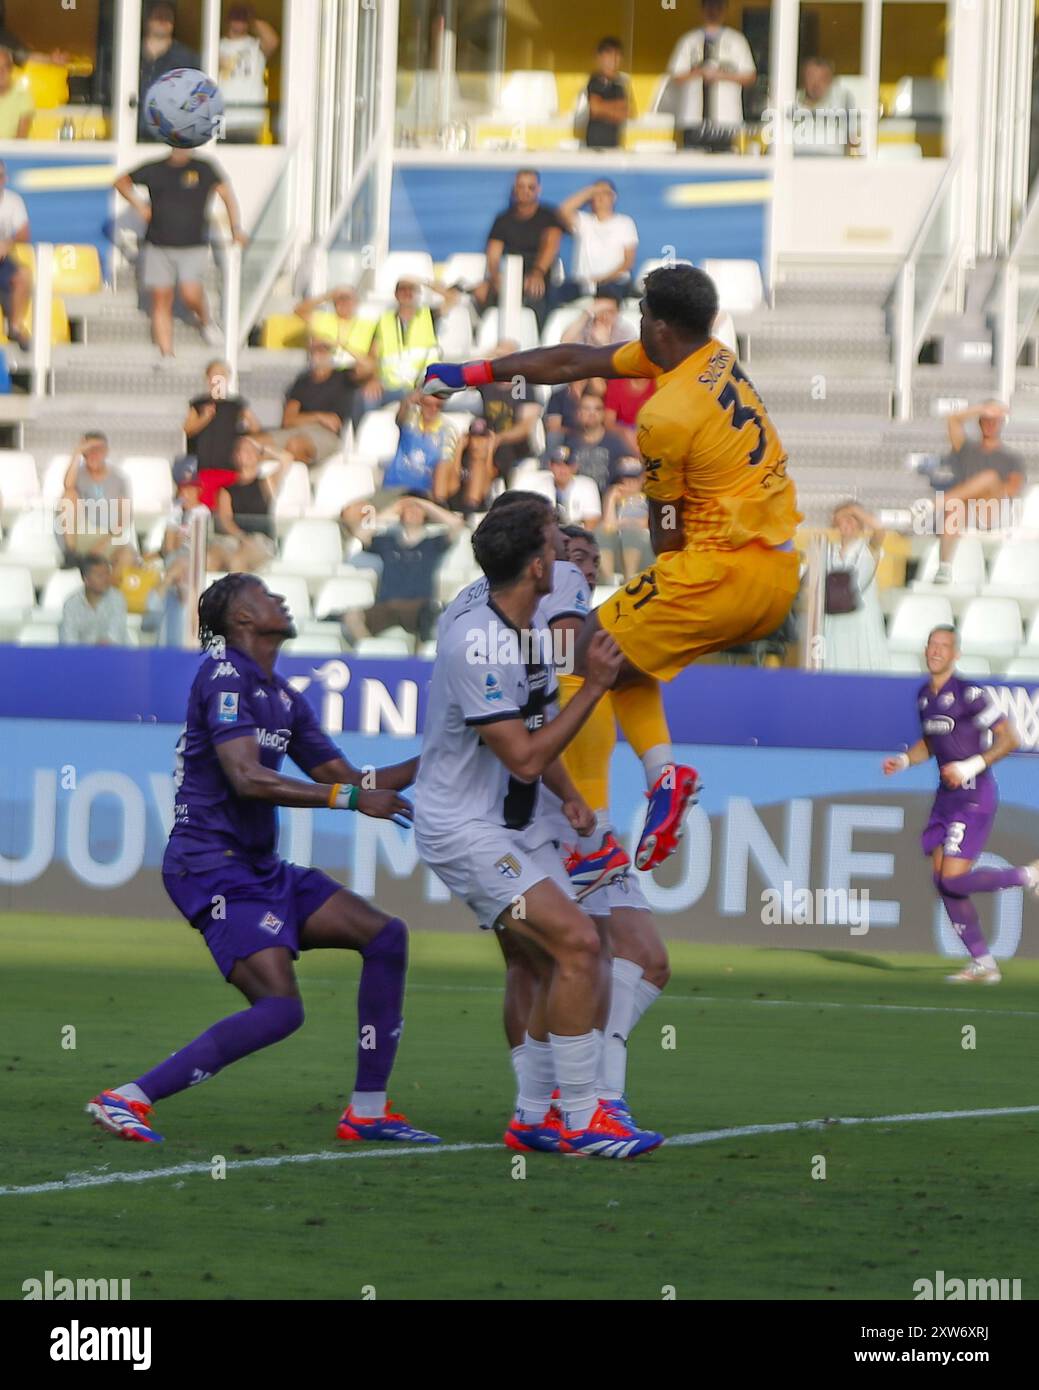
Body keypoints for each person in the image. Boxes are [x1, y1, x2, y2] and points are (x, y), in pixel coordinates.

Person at [424, 264, 802, 876]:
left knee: (577, 654)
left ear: (657, 324)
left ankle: (592, 834)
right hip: (776, 572)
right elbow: (577, 361)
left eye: (642, 313)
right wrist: (475, 372)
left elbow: (665, 528)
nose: (636, 322)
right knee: (619, 658)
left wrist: (671, 575)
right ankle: (662, 778)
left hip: (719, 572)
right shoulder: (712, 360)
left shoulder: (666, 415)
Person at [86, 573, 438, 1146]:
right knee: (279, 1010)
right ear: (242, 618)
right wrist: (350, 798)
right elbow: (247, 778)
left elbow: (351, 779)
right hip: (209, 864)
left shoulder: (282, 695)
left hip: (259, 868)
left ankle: (368, 1110)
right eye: (265, 594)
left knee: (386, 936)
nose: (280, 597)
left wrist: (443, 752)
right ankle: (128, 1098)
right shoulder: (223, 675)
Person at [414, 497, 662, 1157]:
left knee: (556, 957)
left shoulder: (523, 633)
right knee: (579, 944)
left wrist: (568, 796)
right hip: (463, 829)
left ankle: (533, 1116)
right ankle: (582, 1121)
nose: (567, 556)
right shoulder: (480, 642)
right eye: (557, 545)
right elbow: (521, 752)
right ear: (534, 564)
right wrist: (594, 686)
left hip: (513, 823)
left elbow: (529, 740)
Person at [883, 624, 1039, 985]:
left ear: (956, 655)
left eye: (944, 646)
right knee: (942, 881)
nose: (936, 651)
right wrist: (905, 761)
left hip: (974, 795)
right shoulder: (924, 696)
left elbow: (1009, 737)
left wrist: (971, 765)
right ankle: (984, 964)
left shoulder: (970, 694)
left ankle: (1027, 875)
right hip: (946, 798)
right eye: (931, 645)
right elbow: (930, 743)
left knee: (953, 879)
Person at [115, 148, 247, 363]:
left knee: (189, 292)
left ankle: (205, 322)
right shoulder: (155, 168)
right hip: (158, 245)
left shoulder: (204, 168)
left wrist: (236, 229)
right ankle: (166, 353)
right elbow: (121, 182)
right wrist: (139, 206)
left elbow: (227, 196)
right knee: (160, 299)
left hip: (192, 245)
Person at [340, 494, 463, 647]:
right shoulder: (387, 542)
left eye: (418, 510)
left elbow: (456, 524)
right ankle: (371, 652)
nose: (413, 511)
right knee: (352, 617)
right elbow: (360, 533)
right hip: (388, 606)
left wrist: (424, 504)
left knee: (435, 619)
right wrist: (394, 508)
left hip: (419, 607)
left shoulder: (433, 543)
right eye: (408, 509)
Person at [935, 401, 1026, 581]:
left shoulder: (1011, 457)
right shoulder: (967, 449)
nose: (990, 425)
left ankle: (935, 503)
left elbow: (1012, 489)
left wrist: (985, 489)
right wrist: (983, 408)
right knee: (954, 508)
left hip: (993, 509)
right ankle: (944, 567)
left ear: (1001, 424)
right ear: (979, 422)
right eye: (986, 420)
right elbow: (953, 420)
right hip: (967, 509)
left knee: (990, 477)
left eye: (994, 421)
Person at [473, 170, 565, 330]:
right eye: (521, 187)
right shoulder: (503, 219)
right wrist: (495, 277)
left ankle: (537, 340)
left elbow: (551, 245)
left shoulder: (548, 216)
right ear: (515, 189)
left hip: (538, 274)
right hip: (509, 273)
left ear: (538, 189)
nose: (526, 191)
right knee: (482, 292)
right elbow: (493, 254)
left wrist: (537, 272)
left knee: (535, 290)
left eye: (531, 187)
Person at [666, 0, 756, 152]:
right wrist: (700, 72)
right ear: (702, 9)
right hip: (693, 119)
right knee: (692, 163)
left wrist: (721, 76)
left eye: (718, 7)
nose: (713, 11)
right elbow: (676, 76)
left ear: (725, 10)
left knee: (724, 164)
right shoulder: (689, 41)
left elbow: (750, 77)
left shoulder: (736, 41)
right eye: (709, 7)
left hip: (726, 120)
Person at [184, 360, 264, 504]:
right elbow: (188, 430)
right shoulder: (198, 403)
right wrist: (204, 418)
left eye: (221, 374)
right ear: (208, 379)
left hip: (229, 468)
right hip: (204, 468)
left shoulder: (236, 404)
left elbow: (256, 427)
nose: (218, 378)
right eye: (214, 374)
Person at [266, 339, 357, 465]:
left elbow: (367, 366)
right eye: (314, 350)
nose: (318, 354)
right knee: (252, 443)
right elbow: (288, 420)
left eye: (323, 349)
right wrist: (319, 417)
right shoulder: (302, 382)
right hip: (296, 430)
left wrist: (340, 344)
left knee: (295, 446)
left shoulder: (344, 377)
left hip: (326, 436)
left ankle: (300, 480)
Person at [360, 278, 444, 414]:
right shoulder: (384, 320)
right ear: (396, 294)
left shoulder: (429, 315)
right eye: (403, 289)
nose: (407, 293)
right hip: (390, 387)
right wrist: (373, 379)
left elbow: (453, 298)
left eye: (411, 289)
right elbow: (373, 354)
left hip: (422, 385)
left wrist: (423, 282)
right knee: (367, 396)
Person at [822, 501, 888, 672]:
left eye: (854, 519)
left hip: (862, 619)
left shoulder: (867, 548)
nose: (848, 523)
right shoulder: (826, 550)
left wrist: (853, 510)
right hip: (835, 620)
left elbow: (880, 530)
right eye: (844, 519)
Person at [213, 436, 293, 573]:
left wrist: (262, 448)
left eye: (252, 450)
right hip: (235, 538)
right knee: (210, 560)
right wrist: (240, 536)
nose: (249, 453)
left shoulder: (266, 483)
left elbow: (287, 458)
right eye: (244, 450)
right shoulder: (226, 491)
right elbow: (225, 520)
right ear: (236, 456)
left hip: (260, 539)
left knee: (238, 560)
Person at [556, 181, 638, 302]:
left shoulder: (625, 223)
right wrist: (589, 191)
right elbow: (563, 211)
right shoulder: (583, 221)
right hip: (582, 284)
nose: (599, 197)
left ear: (613, 197)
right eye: (596, 193)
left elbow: (628, 261)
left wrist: (602, 279)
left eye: (605, 193)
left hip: (615, 284)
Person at [59, 432, 134, 562]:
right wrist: (76, 453)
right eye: (89, 450)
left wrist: (105, 541)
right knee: (69, 495)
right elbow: (67, 486)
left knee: (127, 557)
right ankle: (71, 554)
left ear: (106, 452)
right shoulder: (78, 474)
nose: (94, 455)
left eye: (99, 450)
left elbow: (125, 517)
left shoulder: (119, 479)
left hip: (108, 536)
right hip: (81, 534)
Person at [477, 339, 543, 483]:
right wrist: (487, 356)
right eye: (499, 356)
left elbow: (525, 427)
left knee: (503, 451)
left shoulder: (524, 387)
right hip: (488, 441)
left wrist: (499, 438)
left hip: (514, 445)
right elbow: (463, 373)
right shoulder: (487, 384)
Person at [378, 390, 458, 502]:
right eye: (428, 404)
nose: (433, 409)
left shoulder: (448, 430)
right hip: (393, 487)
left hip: (422, 493)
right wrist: (409, 400)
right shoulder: (410, 418)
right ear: (420, 402)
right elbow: (400, 417)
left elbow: (445, 468)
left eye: (438, 405)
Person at [138, 1, 201, 141]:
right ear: (147, 19)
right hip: (133, 131)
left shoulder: (187, 58)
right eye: (158, 16)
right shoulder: (129, 53)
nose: (163, 21)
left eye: (167, 17)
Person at [218, 3, 279, 143]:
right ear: (228, 20)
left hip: (250, 119)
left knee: (247, 160)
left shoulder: (256, 46)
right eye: (235, 17)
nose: (238, 22)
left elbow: (273, 40)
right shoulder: (217, 46)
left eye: (242, 18)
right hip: (221, 119)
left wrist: (253, 20)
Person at [556, 390, 631, 497]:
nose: (592, 413)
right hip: (578, 501)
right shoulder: (568, 443)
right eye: (586, 408)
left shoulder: (616, 443)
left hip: (608, 501)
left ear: (603, 414)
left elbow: (631, 474)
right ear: (578, 413)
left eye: (597, 409)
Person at [293, 284, 377, 377]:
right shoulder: (323, 318)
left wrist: (342, 345)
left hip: (354, 373)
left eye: (348, 299)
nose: (344, 303)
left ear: (356, 302)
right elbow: (299, 310)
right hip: (325, 372)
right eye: (339, 300)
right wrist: (327, 296)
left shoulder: (369, 325)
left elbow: (372, 361)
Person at [792, 56, 860, 157]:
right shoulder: (790, 102)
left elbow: (854, 141)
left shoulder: (843, 101)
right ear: (803, 79)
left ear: (831, 80)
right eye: (811, 77)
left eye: (822, 78)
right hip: (795, 166)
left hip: (832, 167)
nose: (816, 84)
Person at [598, 458, 653, 582]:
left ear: (642, 480)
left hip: (644, 545)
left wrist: (626, 523)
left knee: (631, 531)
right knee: (601, 531)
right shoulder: (617, 499)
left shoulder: (649, 497)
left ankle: (630, 578)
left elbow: (651, 522)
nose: (629, 484)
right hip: (618, 545)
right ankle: (608, 579)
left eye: (633, 480)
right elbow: (608, 526)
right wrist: (611, 499)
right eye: (625, 480)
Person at [59, 555, 129, 647]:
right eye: (100, 576)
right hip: (82, 658)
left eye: (108, 574)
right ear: (86, 579)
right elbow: (68, 639)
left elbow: (115, 634)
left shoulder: (117, 598)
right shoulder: (72, 604)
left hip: (115, 656)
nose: (106, 579)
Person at [435, 415, 496, 515]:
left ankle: (469, 512)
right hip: (456, 499)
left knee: (478, 467)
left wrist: (490, 452)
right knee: (443, 464)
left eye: (482, 439)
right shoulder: (464, 456)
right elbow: (454, 477)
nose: (477, 443)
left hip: (478, 504)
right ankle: (439, 506)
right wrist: (459, 449)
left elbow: (490, 475)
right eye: (474, 438)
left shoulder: (496, 456)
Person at [0, 157, 31, 350]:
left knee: (22, 276)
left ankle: (15, 327)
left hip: (2, 260)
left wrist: (6, 243)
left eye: (1, 176)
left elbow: (23, 232)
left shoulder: (13, 201)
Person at [581, 37, 632, 150]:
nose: (613, 59)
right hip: (596, 144)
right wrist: (617, 107)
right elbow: (595, 109)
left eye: (617, 55)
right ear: (600, 57)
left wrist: (604, 108)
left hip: (614, 143)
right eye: (608, 54)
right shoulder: (595, 80)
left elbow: (628, 112)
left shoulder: (621, 82)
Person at [543, 445, 602, 526]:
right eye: (558, 465)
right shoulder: (539, 486)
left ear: (575, 467)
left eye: (567, 464)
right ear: (550, 466)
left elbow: (592, 522)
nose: (562, 469)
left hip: (579, 535)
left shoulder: (587, 485)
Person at [560, 293, 638, 349]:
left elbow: (626, 360)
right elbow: (564, 343)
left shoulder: (625, 330)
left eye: (610, 311)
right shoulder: (586, 324)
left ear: (617, 312)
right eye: (601, 311)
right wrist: (585, 315)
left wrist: (605, 343)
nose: (605, 316)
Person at [0, 44, 32, 139]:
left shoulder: (23, 96)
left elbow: (21, 138)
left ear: (11, 69)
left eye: (4, 67)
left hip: (8, 152)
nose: (0, 72)